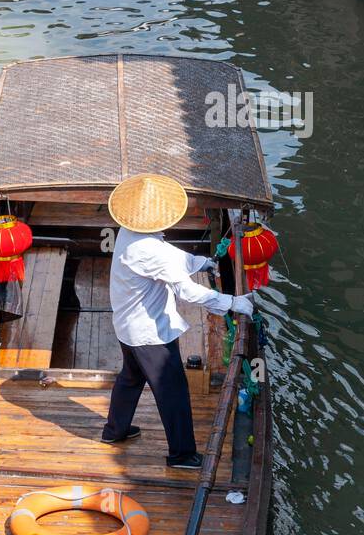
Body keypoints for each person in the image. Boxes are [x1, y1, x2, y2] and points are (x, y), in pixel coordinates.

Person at [104, 172, 254, 470]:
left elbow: (170, 256)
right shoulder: (151, 251)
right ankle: (182, 455)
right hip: (150, 334)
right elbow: (186, 290)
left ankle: (115, 431)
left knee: (130, 378)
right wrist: (233, 303)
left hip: (126, 326)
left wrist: (201, 262)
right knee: (172, 391)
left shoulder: (128, 232)